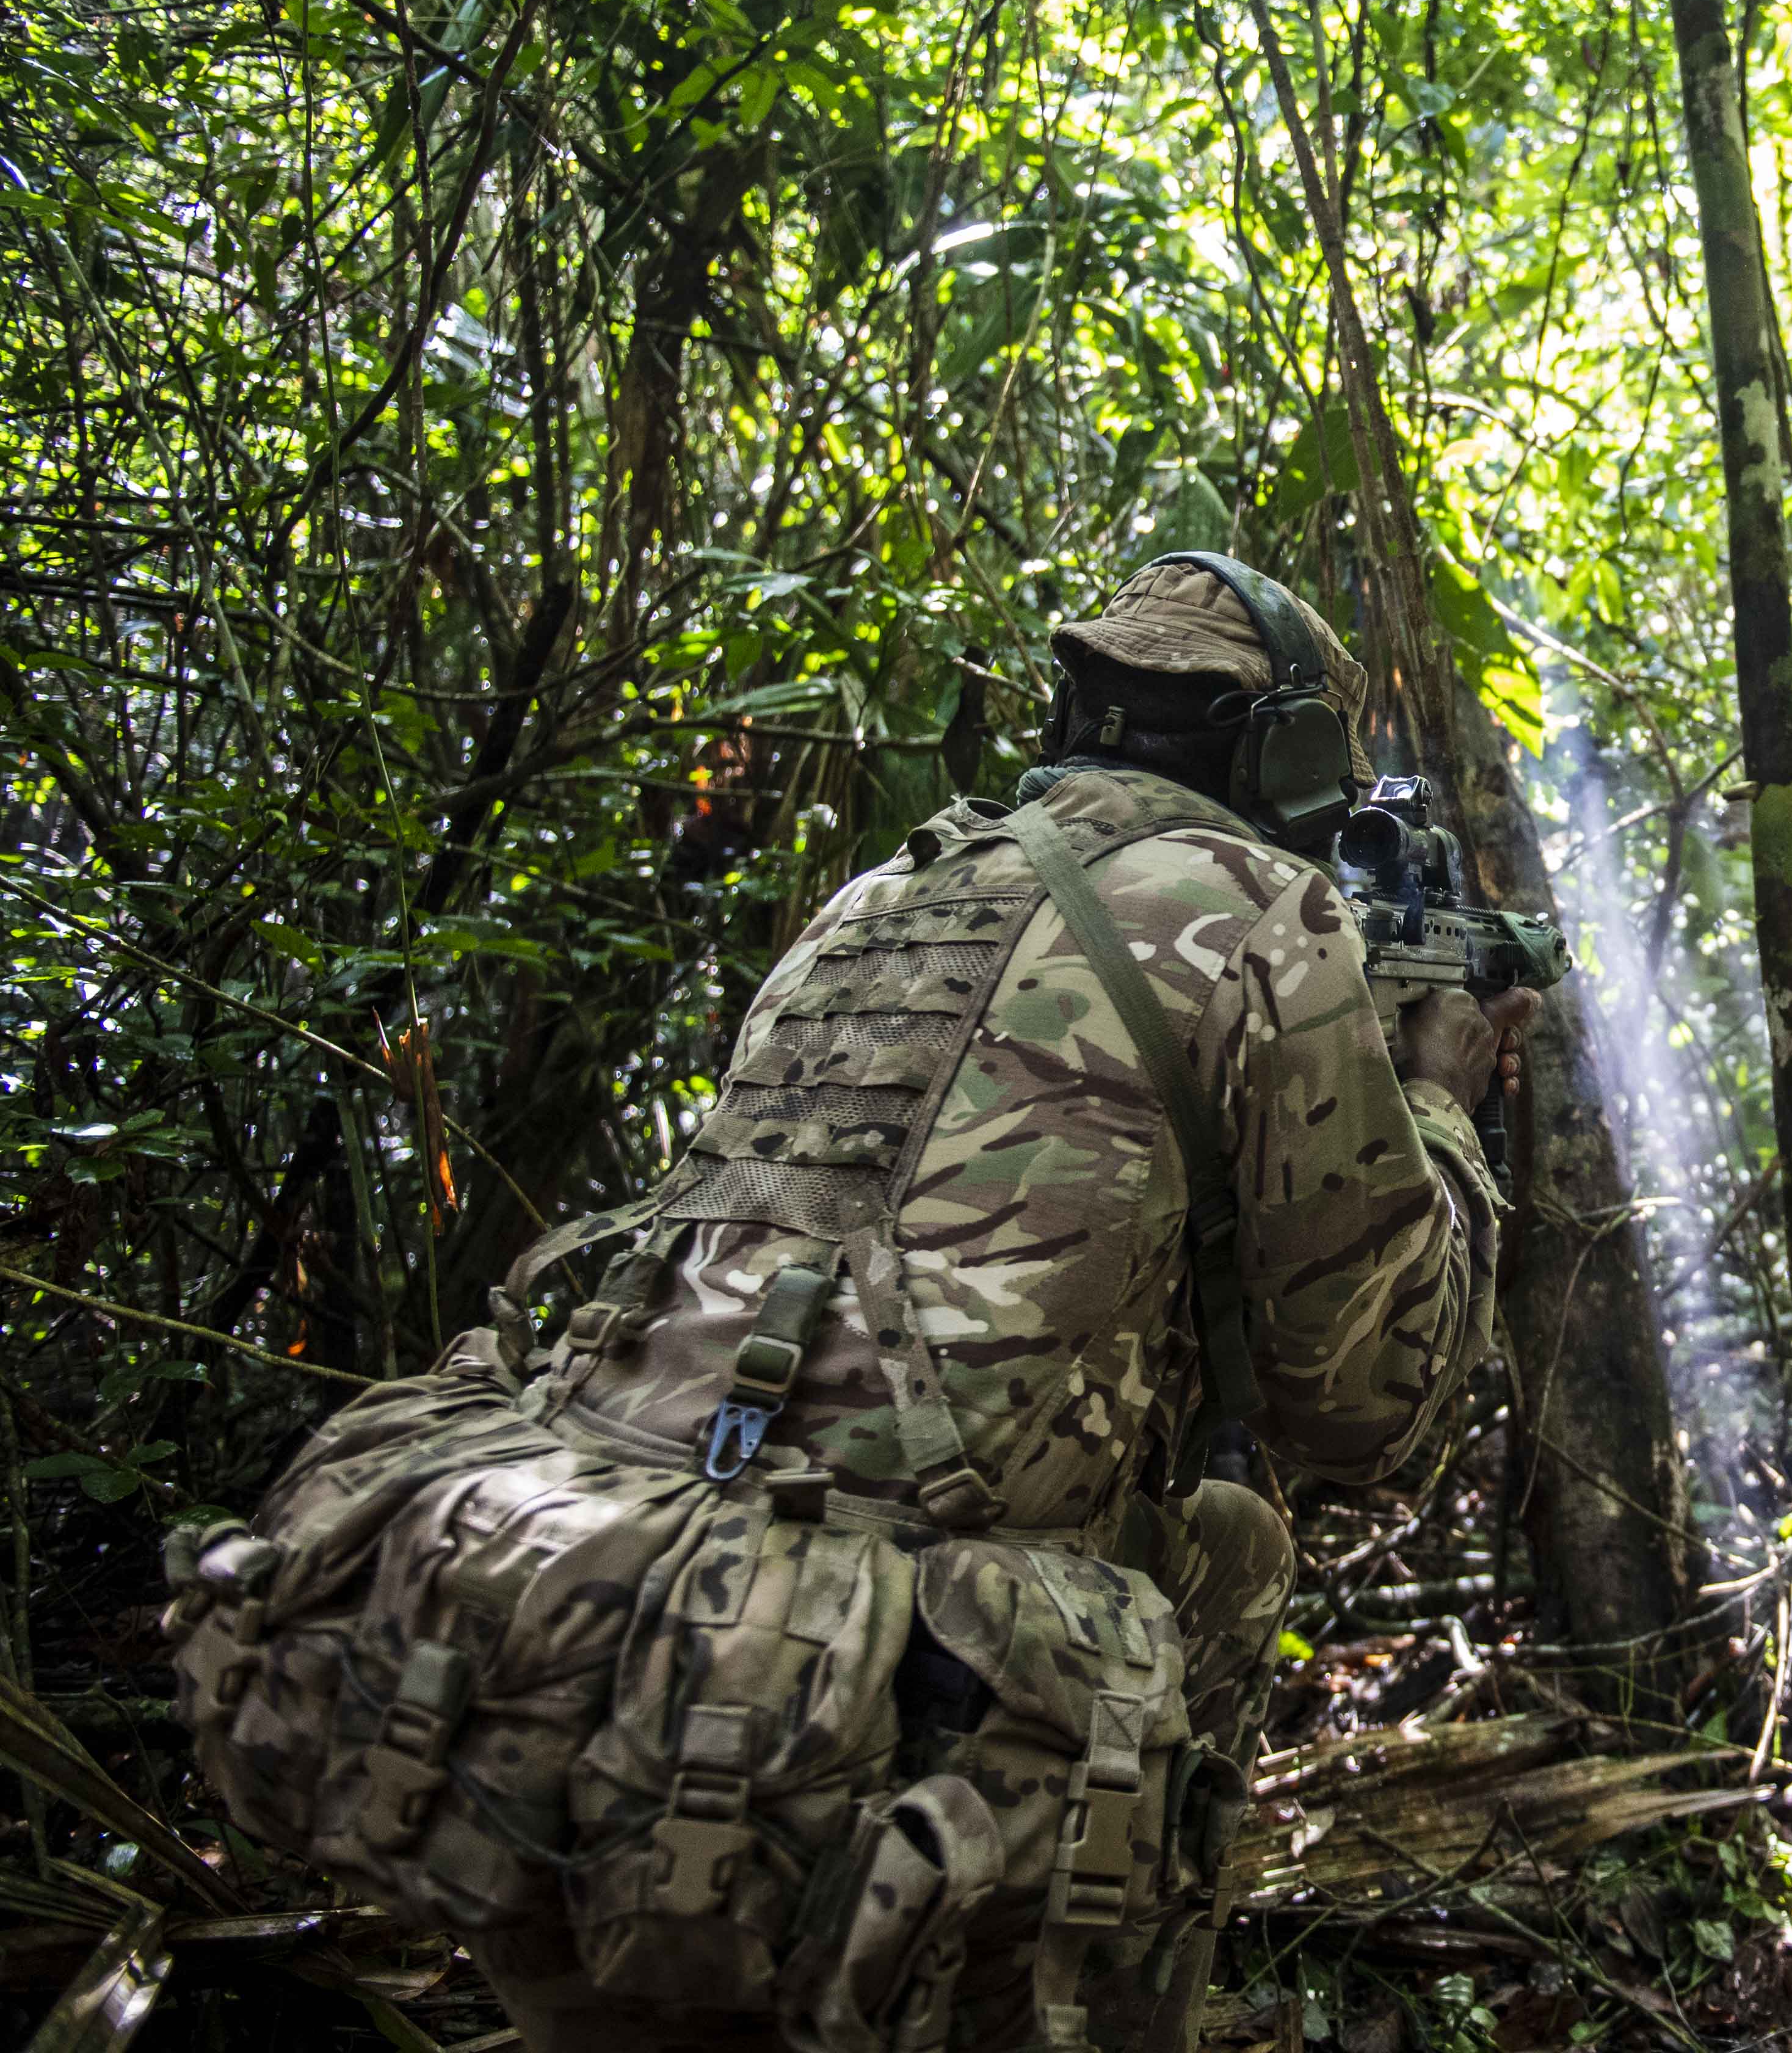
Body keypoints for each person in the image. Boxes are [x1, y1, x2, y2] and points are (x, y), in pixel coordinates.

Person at [481, 551, 1532, 2051]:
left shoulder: (873, 897)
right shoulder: (1263, 912)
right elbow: (1371, 1407)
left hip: (595, 1614)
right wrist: (1433, 1106)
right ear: (1285, 753)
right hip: (885, 1699)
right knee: (1233, 1544)